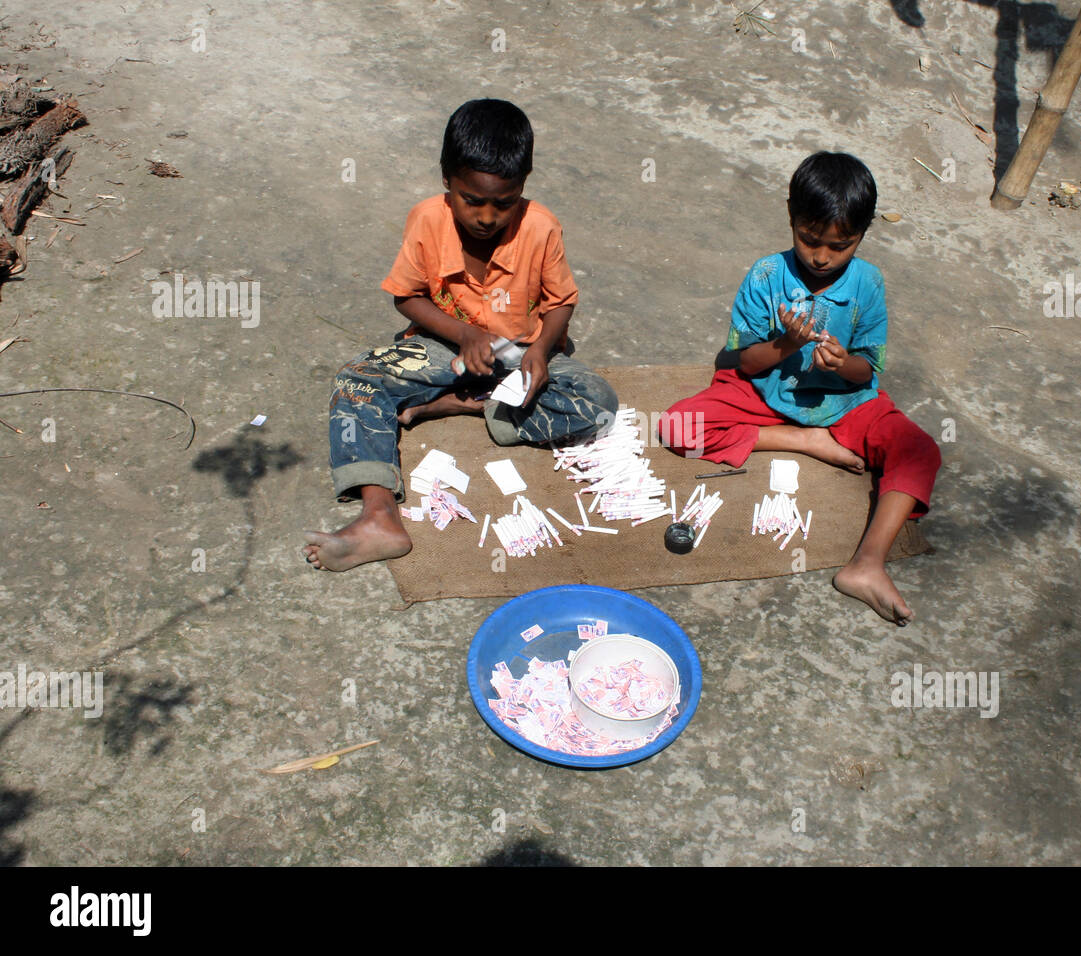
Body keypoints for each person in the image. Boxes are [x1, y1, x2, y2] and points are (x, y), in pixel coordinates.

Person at [305, 99, 617, 572]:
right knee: (356, 381)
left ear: (523, 188)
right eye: (473, 200)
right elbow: (406, 298)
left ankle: (455, 405)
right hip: (440, 345)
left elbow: (562, 303)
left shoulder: (541, 226)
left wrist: (540, 350)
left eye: (504, 203)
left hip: (515, 353)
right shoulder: (427, 219)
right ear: (448, 180)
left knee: (598, 402)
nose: (488, 217)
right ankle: (380, 514)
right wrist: (464, 333)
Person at [657, 151, 940, 625]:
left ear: (863, 234)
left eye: (841, 245)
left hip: (843, 403)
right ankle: (803, 440)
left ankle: (867, 564)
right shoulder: (766, 275)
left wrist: (843, 363)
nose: (822, 256)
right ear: (791, 217)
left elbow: (867, 372)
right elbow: (744, 360)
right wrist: (786, 343)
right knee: (677, 425)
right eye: (810, 240)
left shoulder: (868, 283)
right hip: (766, 391)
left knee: (921, 451)